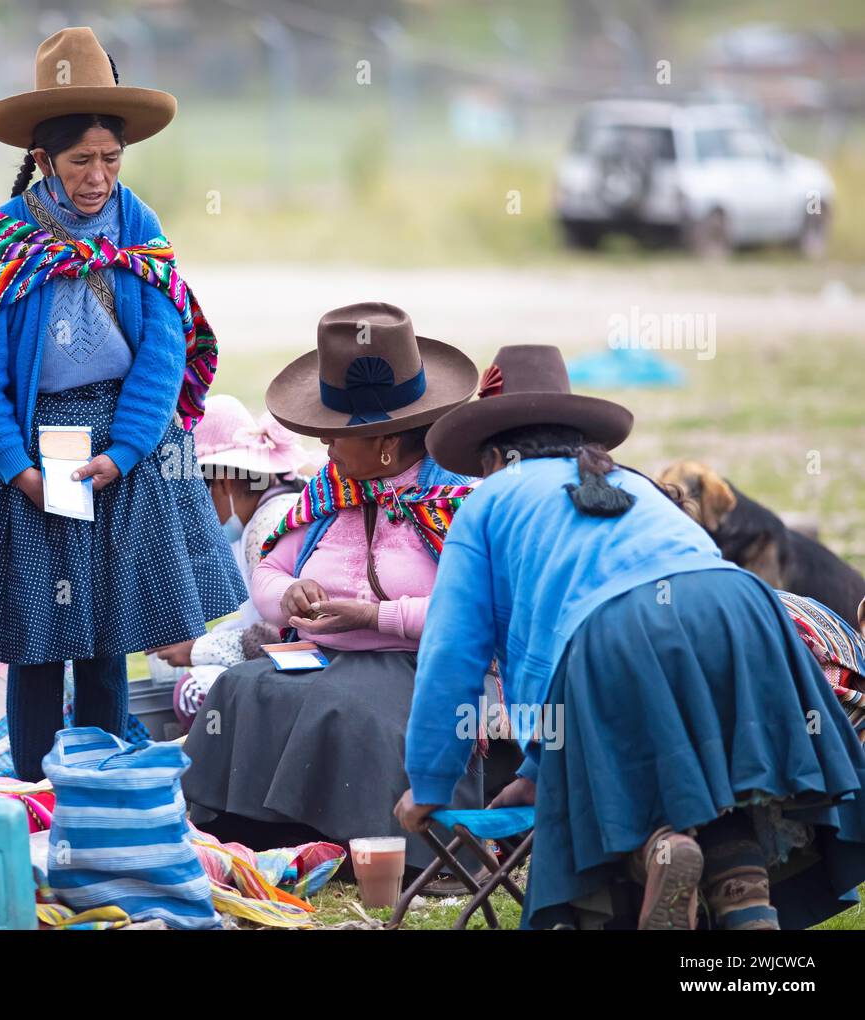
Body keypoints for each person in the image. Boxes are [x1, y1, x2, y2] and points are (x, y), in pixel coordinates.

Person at [398, 344, 865, 930]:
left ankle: (656, 853)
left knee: (611, 784)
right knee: (723, 777)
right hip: (745, 610)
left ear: (493, 456)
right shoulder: (632, 482)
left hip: (616, 626)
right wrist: (533, 776)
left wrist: (429, 782)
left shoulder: (487, 502)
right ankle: (750, 917)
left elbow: (453, 654)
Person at [0, 28, 244, 782]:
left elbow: (162, 349)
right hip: (34, 447)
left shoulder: (140, 225)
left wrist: (123, 453)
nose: (98, 178)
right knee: (39, 637)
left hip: (127, 445)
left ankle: (98, 793)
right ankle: (35, 792)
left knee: (109, 633)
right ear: (41, 161)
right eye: (80, 162)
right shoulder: (2, 239)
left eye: (110, 160)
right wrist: (16, 467)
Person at [183, 302, 492, 878]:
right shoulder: (328, 492)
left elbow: (475, 616)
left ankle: (390, 851)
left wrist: (376, 617)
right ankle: (256, 834)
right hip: (322, 658)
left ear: (384, 442)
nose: (323, 449)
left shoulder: (459, 504)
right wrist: (292, 593)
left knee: (351, 710)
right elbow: (269, 572)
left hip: (419, 666)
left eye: (334, 437)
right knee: (243, 689)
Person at [149, 394, 318, 729]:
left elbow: (282, 637)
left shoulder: (268, 528)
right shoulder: (269, 514)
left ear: (223, 483)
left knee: (194, 691)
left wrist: (199, 649)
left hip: (305, 670)